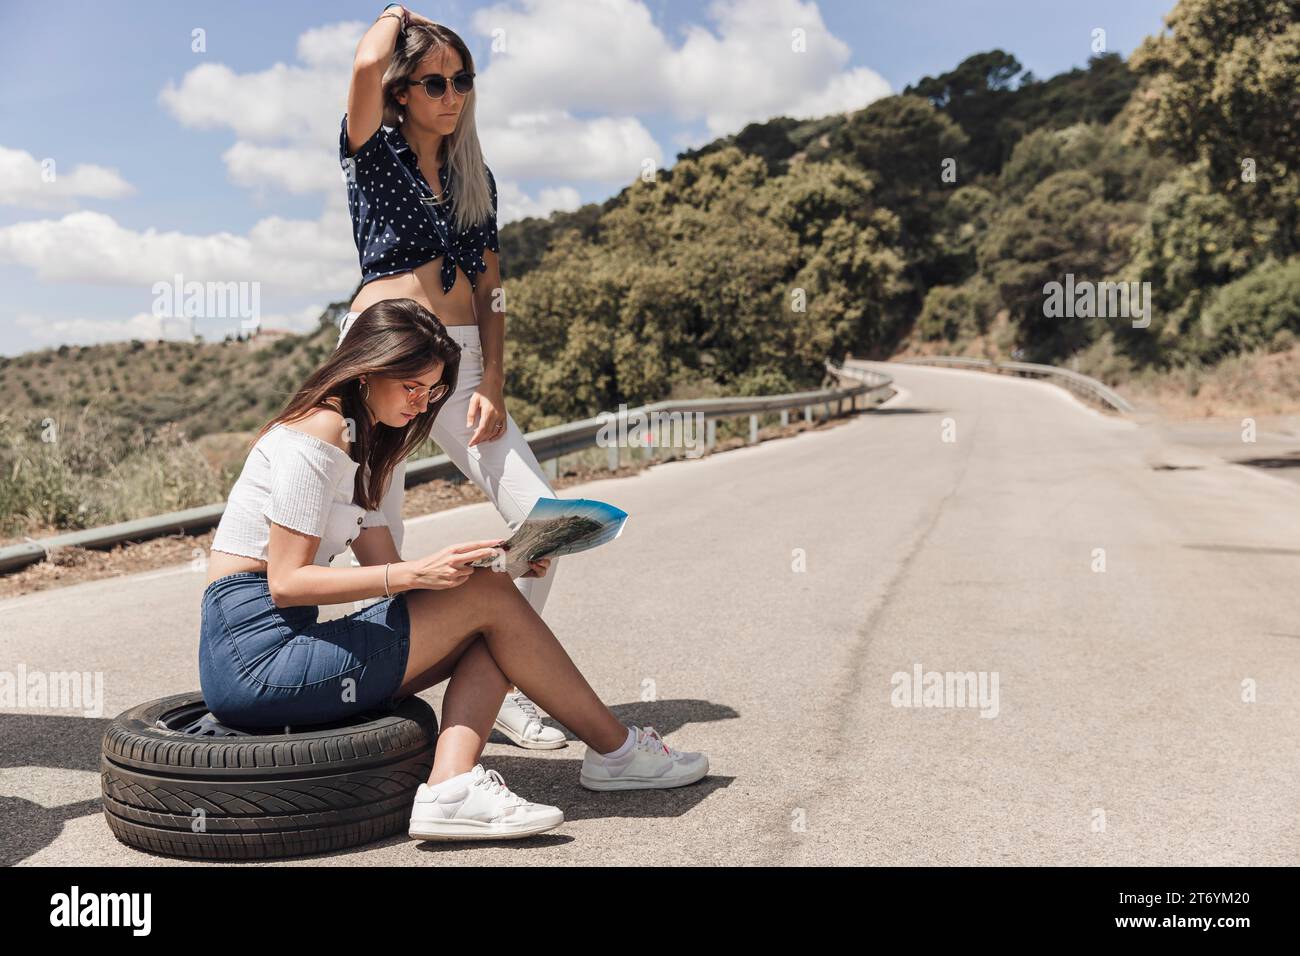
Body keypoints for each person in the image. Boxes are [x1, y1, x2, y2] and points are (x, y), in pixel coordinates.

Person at [199, 299, 709, 841]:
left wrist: (492, 565)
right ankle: (617, 752)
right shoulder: (319, 430)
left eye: (433, 391)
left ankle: (452, 785)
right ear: (369, 369)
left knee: (489, 615)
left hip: (286, 650)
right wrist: (422, 574)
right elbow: (287, 583)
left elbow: (389, 574)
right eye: (411, 387)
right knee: (487, 602)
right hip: (256, 661)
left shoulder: (359, 450)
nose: (422, 405)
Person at [337, 5, 562, 749]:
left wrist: (493, 377)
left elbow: (493, 285)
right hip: (386, 354)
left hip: (463, 359)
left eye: (462, 78)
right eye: (432, 80)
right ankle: (378, 694)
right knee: (379, 538)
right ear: (403, 90)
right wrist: (397, 14)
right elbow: (366, 65)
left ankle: (494, 671)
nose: (451, 93)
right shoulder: (374, 150)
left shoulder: (476, 174)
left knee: (546, 523)